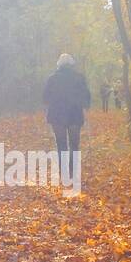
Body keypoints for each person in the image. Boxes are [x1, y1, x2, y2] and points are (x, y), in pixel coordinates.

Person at [42, 53, 90, 182]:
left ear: (59, 64)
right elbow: (86, 95)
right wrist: (85, 104)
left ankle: (64, 174)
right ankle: (73, 172)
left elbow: (45, 97)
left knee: (61, 143)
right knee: (74, 144)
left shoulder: (52, 78)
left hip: (57, 115)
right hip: (74, 114)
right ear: (71, 64)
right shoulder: (79, 78)